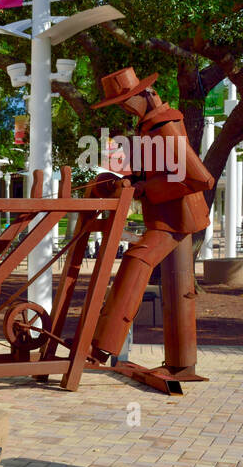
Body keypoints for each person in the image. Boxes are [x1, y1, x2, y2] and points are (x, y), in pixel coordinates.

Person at [87, 67, 213, 360]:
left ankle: (103, 346)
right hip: (163, 215)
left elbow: (200, 178)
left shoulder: (164, 126)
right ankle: (175, 362)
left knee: (136, 259)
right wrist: (131, 181)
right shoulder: (148, 127)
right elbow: (154, 169)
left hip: (177, 217)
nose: (124, 107)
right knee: (161, 273)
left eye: (126, 101)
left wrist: (147, 188)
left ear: (144, 96)